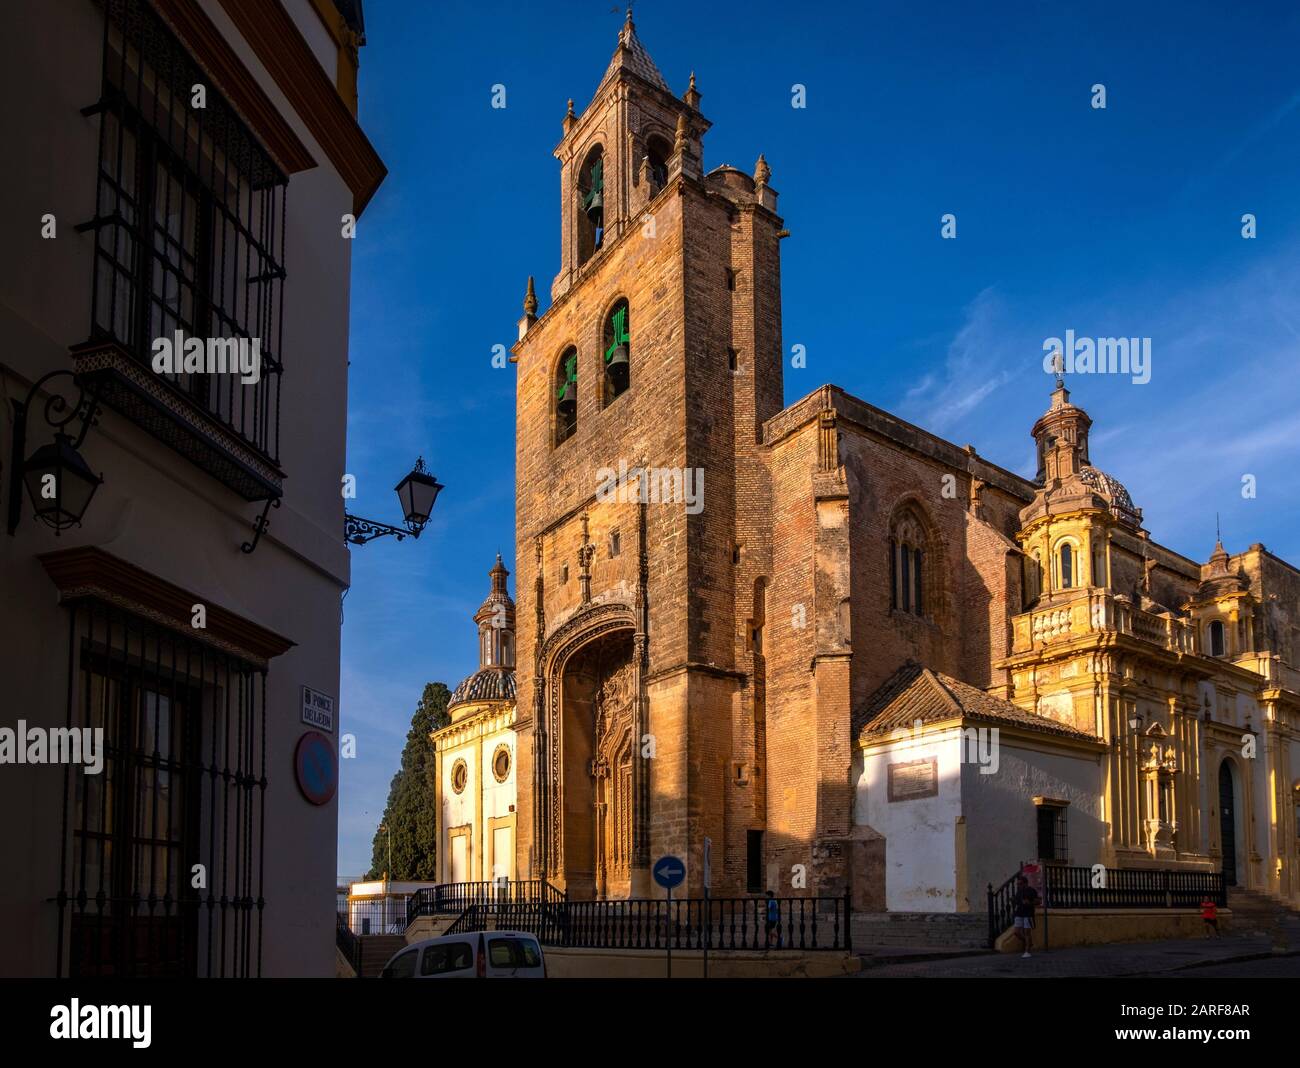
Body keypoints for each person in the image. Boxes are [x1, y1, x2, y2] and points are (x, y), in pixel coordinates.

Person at [1012, 874, 1039, 958]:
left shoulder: (1031, 891)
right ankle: (1029, 943)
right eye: (1018, 884)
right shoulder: (1019, 892)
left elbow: (1038, 902)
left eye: (1020, 884)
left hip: (1028, 913)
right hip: (1019, 913)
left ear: (1025, 883)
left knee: (1027, 932)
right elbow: (1017, 901)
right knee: (1016, 932)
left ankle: (1027, 951)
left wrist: (1029, 903)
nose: (1018, 885)